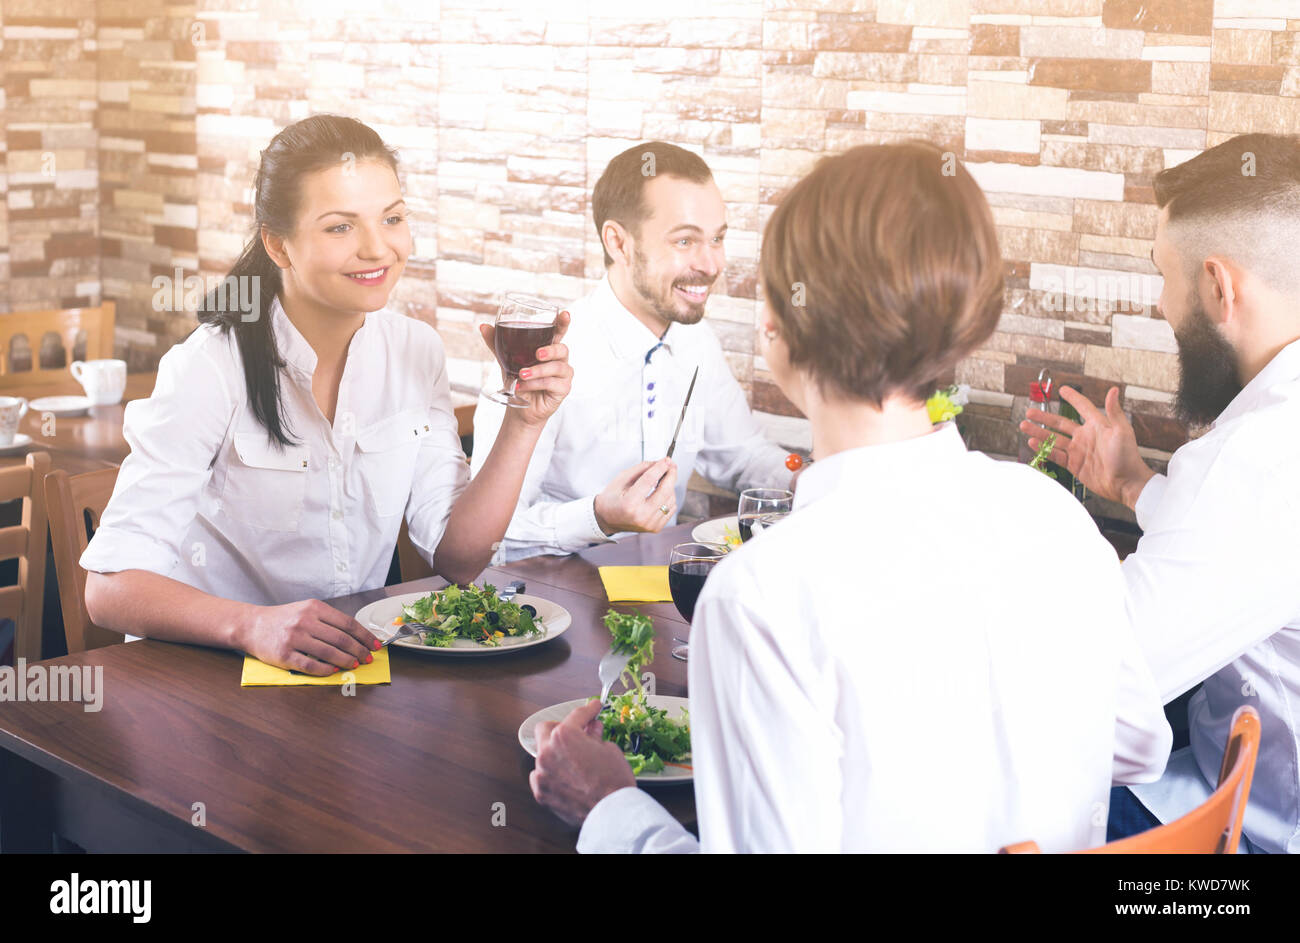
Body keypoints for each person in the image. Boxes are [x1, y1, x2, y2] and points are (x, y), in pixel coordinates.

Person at [530, 142, 1172, 853]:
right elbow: (1140, 748)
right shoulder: (1056, 517)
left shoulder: (761, 597)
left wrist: (610, 806)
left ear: (775, 326)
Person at [79, 115, 573, 675]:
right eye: (340, 227)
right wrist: (252, 624)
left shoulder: (415, 350)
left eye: (392, 218)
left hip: (339, 673)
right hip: (208, 677)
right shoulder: (210, 365)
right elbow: (109, 589)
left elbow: (459, 558)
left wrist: (523, 422)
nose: (378, 248)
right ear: (278, 244)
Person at [1021, 133, 1300, 854]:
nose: (1159, 305)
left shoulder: (1258, 460)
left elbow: (1096, 683)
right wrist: (1133, 484)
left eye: (1162, 274)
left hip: (1244, 831)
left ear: (1219, 286)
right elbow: (1232, 549)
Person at [470, 141, 793, 564]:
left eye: (717, 239)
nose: (712, 263)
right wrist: (598, 517)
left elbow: (742, 456)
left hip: (662, 600)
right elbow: (489, 542)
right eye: (685, 241)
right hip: (545, 601)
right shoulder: (543, 358)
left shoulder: (696, 342)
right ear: (619, 243)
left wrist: (805, 476)